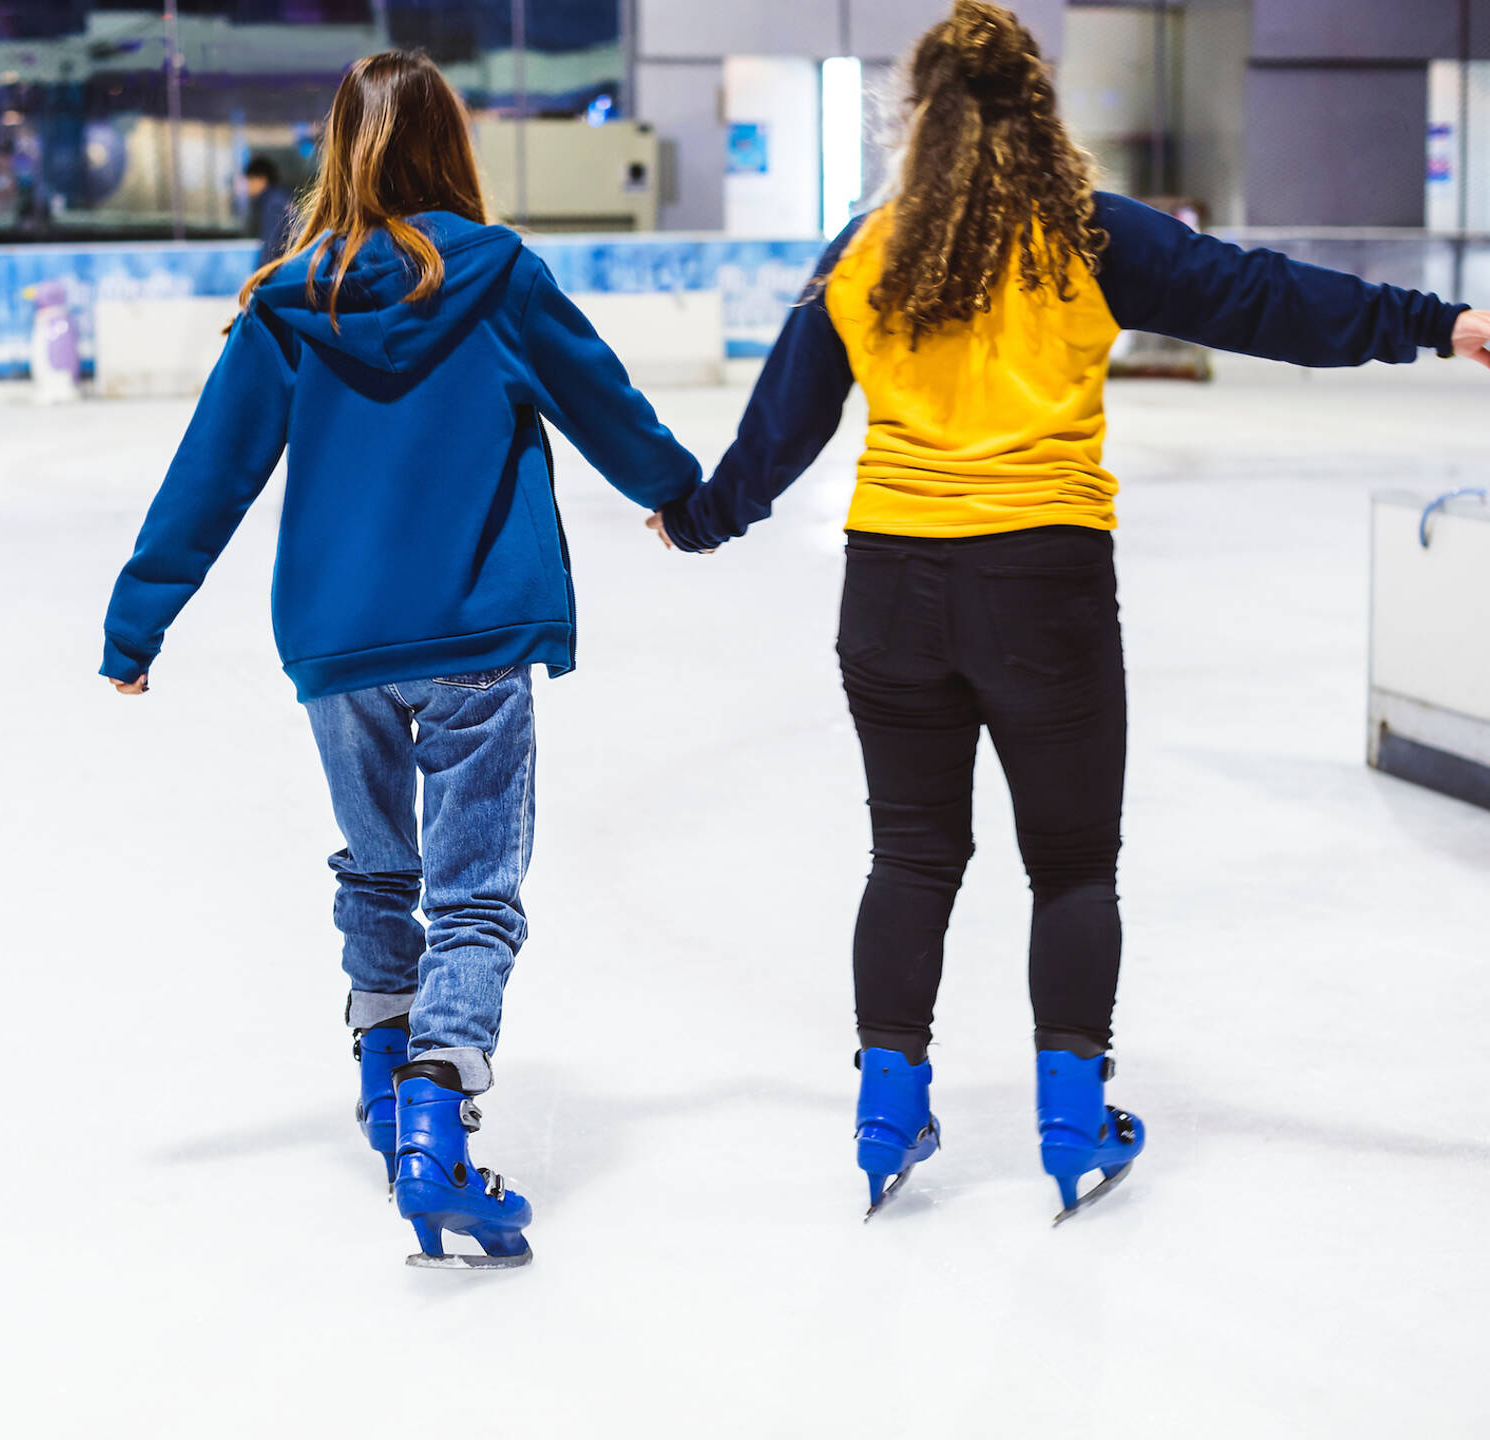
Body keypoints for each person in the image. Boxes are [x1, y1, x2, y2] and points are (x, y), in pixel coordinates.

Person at [650, 0, 1490, 1222]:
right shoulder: (1088, 236)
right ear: (1036, 106)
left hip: (889, 591)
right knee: (1072, 868)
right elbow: (1260, 299)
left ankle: (888, 1110)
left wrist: (700, 517)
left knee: (911, 856)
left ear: (917, 114)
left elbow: (780, 432)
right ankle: (1071, 1116)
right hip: (1041, 590)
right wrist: (1435, 322)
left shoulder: (864, 250)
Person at [99, 50, 700, 1267]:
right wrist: (681, 495)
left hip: (340, 646)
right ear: (452, 145)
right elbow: (605, 403)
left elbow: (209, 476)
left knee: (380, 872)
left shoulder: (288, 301)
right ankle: (436, 1119)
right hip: (476, 632)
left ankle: (386, 1091)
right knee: (471, 893)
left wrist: (138, 618)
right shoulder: (500, 278)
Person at [243, 154, 294, 264]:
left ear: (262, 179)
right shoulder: (278, 198)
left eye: (250, 181)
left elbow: (271, 248)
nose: (248, 187)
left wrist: (260, 277)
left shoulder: (274, 204)